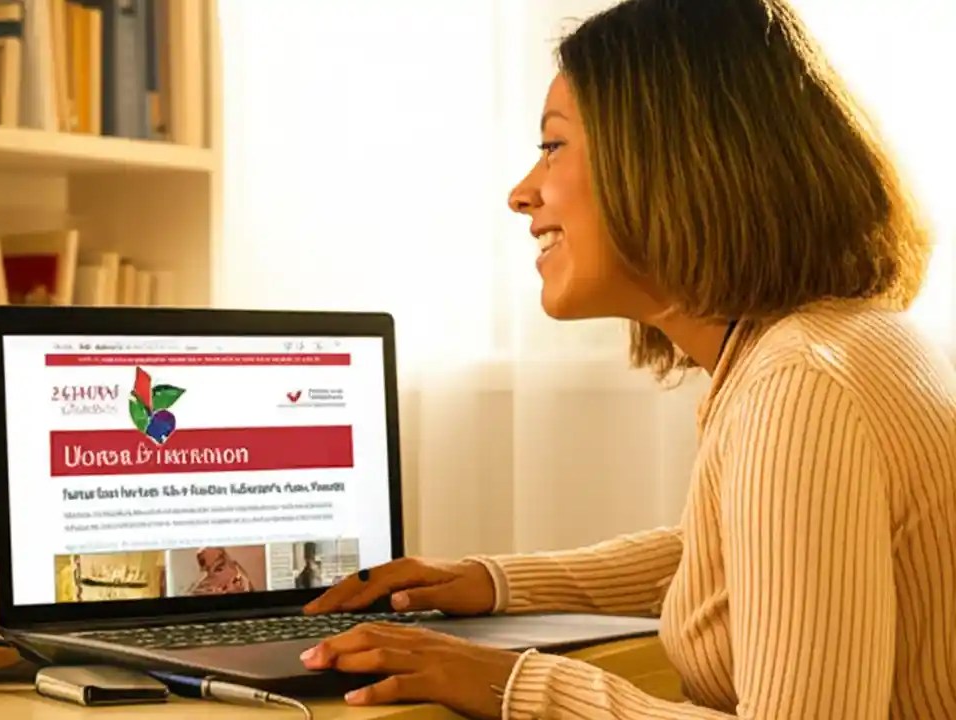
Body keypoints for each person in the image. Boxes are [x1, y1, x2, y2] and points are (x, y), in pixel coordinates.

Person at [299, 0, 956, 718]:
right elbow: (755, 551)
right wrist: (494, 581)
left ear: (669, 161)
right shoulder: (851, 342)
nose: (522, 193)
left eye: (553, 147)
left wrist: (512, 684)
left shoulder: (799, 385)